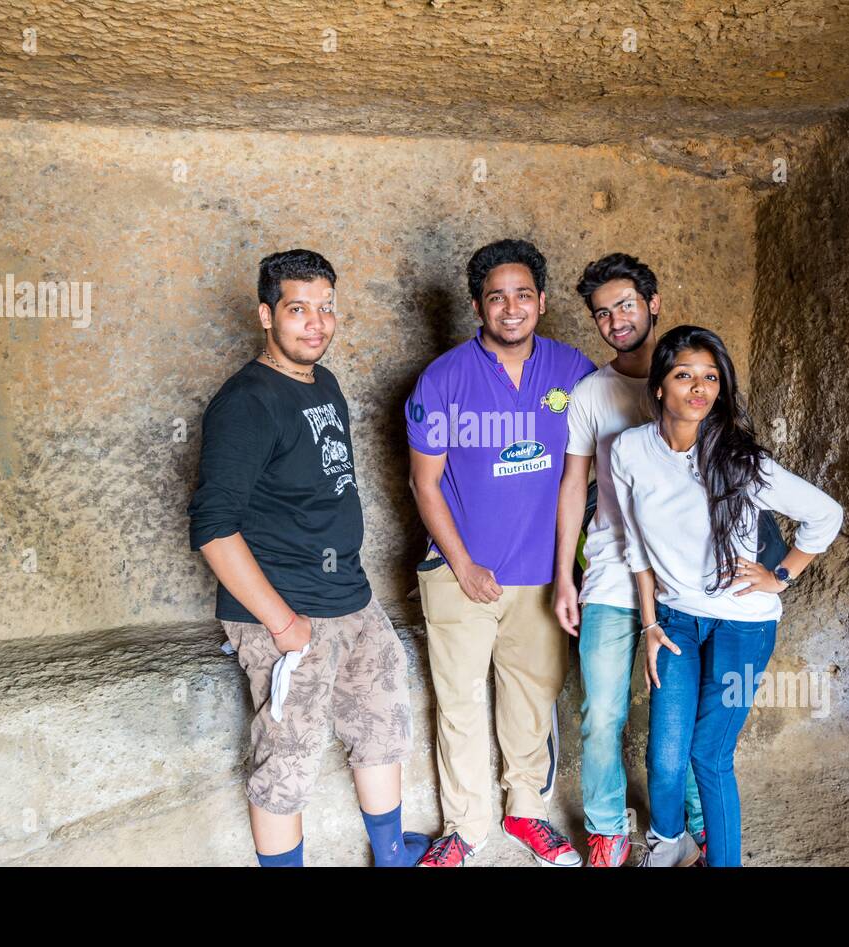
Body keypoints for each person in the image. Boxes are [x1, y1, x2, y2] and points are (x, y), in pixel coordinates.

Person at [188, 249, 428, 867]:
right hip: (287, 613)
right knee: (289, 756)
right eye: (299, 310)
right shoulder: (246, 402)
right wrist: (282, 624)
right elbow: (215, 530)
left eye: (326, 309)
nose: (316, 323)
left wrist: (356, 594)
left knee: (382, 724)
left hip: (350, 599)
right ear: (267, 315)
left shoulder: (322, 381)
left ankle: (392, 852)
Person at [610, 325, 843, 867]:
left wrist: (779, 575)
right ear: (660, 386)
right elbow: (636, 548)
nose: (699, 387)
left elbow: (826, 514)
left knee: (708, 754)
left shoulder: (742, 462)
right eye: (684, 375)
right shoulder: (629, 450)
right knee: (666, 755)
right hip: (674, 621)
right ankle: (670, 846)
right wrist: (649, 626)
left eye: (710, 377)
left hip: (744, 627)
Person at [406, 239, 596, 866]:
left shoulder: (573, 372)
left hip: (540, 575)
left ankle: (528, 815)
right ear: (476, 306)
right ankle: (464, 828)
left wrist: (569, 569)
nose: (510, 308)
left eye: (522, 295)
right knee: (458, 702)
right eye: (496, 297)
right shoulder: (443, 379)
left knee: (532, 699)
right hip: (461, 575)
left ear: (541, 301)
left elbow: (590, 468)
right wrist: (462, 565)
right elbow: (423, 482)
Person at [552, 253, 708, 867]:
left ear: (654, 304)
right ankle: (608, 831)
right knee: (603, 712)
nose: (615, 320)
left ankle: (693, 827)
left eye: (625, 305)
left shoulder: (695, 378)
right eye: (602, 313)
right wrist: (567, 574)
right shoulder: (590, 394)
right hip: (615, 572)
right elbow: (572, 487)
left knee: (686, 716)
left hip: (688, 580)